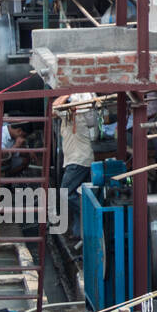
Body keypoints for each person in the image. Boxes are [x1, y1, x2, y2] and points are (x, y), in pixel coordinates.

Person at [54, 93, 98, 241]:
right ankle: (78, 232)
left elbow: (55, 107)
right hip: (79, 160)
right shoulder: (70, 116)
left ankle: (90, 215)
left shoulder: (77, 117)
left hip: (78, 161)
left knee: (65, 193)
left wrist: (66, 94)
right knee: (77, 194)